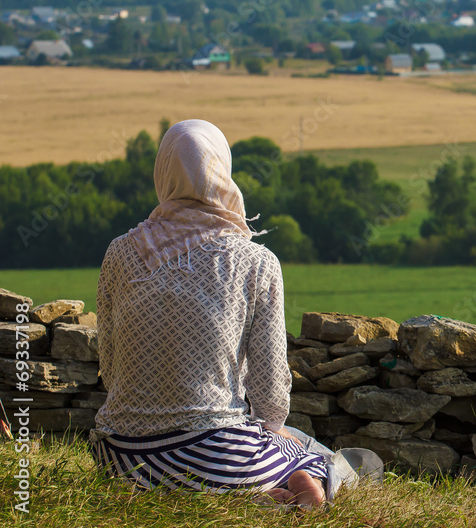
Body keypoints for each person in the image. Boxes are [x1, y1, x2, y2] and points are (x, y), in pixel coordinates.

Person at [90, 119, 363, 508]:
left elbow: (111, 366)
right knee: (318, 455)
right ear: (221, 170)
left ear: (163, 172)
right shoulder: (256, 261)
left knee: (245, 449)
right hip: (215, 454)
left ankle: (252, 493)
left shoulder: (120, 252)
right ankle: (292, 483)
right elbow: (269, 395)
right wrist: (273, 431)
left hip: (119, 456)